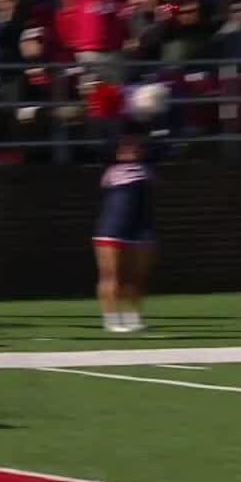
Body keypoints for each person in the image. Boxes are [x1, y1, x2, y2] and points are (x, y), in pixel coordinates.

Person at [94, 127, 155, 332]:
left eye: (136, 145)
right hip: (112, 228)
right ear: (117, 150)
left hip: (140, 228)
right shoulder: (110, 169)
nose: (133, 149)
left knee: (136, 276)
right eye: (126, 146)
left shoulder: (147, 168)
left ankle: (133, 317)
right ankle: (111, 319)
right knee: (112, 275)